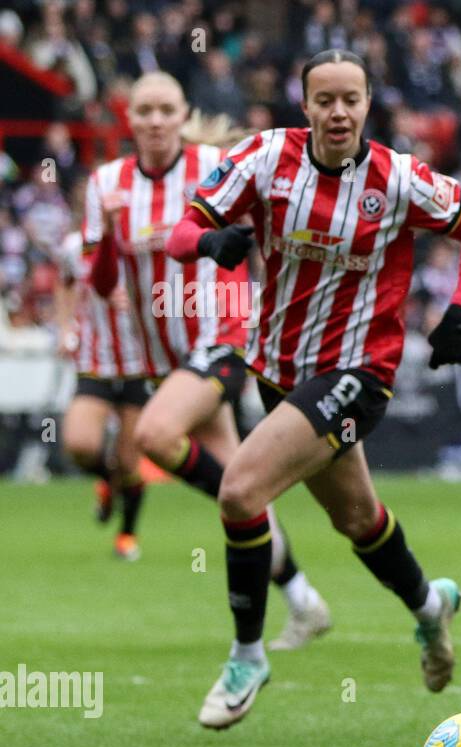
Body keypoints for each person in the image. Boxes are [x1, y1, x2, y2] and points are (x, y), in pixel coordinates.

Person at [166, 49, 461, 729]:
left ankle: (248, 653)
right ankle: (429, 606)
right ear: (306, 104)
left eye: (351, 98)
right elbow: (180, 233)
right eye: (325, 99)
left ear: (368, 103)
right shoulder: (264, 159)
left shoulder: (399, 179)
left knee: (239, 490)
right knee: (357, 520)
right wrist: (212, 244)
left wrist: (460, 311)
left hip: (357, 372)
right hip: (277, 371)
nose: (338, 111)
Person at [90, 71, 330, 646]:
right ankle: (304, 600)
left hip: (223, 336)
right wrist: (103, 239)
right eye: (142, 109)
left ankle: (244, 497)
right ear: (129, 117)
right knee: (240, 490)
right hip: (166, 359)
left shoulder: (212, 170)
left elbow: (268, 231)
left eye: (164, 109)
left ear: (181, 114)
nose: (153, 120)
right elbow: (101, 282)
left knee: (152, 435)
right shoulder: (107, 184)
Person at [57, 196, 147, 560]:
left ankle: (126, 535)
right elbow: (63, 283)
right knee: (79, 443)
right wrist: (65, 326)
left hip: (141, 363)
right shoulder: (73, 248)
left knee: (129, 462)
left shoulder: (144, 243)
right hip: (96, 362)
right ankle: (106, 482)